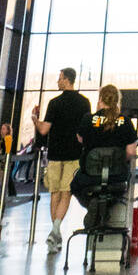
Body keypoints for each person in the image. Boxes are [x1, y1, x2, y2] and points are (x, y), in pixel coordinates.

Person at [32, 67, 92, 253]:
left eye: (59, 78)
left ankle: (55, 234)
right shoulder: (84, 103)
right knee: (66, 192)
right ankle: (55, 231)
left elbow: (43, 130)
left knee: (55, 193)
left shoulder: (54, 103)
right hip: (74, 154)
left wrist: (35, 119)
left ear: (67, 80)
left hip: (55, 154)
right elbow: (85, 129)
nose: (58, 82)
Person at [70, 83, 138, 223]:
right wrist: (117, 161)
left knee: (74, 186)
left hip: (90, 177)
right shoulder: (125, 122)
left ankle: (92, 204)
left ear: (100, 99)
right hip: (116, 177)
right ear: (117, 101)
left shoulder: (88, 119)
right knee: (118, 191)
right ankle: (105, 206)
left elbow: (80, 139)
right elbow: (131, 152)